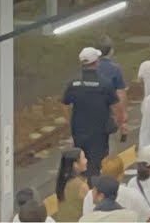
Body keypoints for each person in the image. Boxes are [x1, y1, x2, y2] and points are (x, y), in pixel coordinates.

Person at [62, 47, 120, 177]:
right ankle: (94, 188)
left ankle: (85, 185)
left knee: (81, 159)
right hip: (99, 131)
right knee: (97, 162)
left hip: (79, 130)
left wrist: (69, 122)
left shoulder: (73, 83)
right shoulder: (105, 83)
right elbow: (115, 105)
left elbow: (65, 104)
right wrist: (118, 122)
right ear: (97, 62)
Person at [82, 157, 148, 218]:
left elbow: (86, 217)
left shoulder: (90, 195)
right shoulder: (133, 194)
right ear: (121, 175)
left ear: (101, 173)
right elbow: (145, 217)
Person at [93, 38, 129, 143]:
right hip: (110, 115)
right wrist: (123, 116)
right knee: (109, 146)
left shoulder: (89, 68)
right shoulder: (114, 69)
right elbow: (121, 94)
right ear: (111, 51)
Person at [54, 148, 89, 223]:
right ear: (75, 164)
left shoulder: (61, 181)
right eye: (83, 158)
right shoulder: (81, 186)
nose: (86, 160)